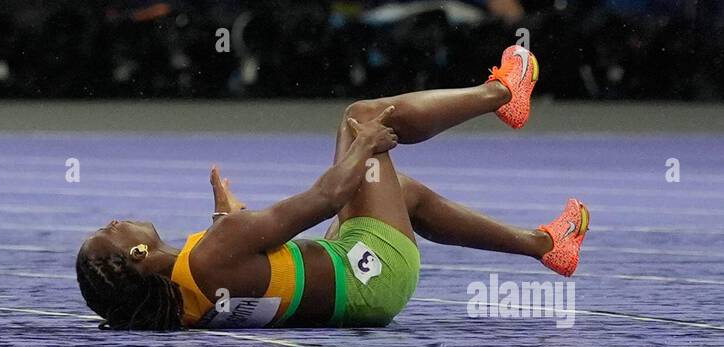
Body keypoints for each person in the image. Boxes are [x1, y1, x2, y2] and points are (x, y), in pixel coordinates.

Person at [76, 45, 589, 331]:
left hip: (360, 294)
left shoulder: (181, 300)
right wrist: (364, 145)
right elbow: (325, 198)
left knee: (400, 192)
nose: (114, 221)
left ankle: (546, 244)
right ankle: (501, 92)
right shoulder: (215, 250)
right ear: (138, 255)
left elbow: (243, 276)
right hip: (373, 273)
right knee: (361, 115)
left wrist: (226, 220)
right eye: (110, 231)